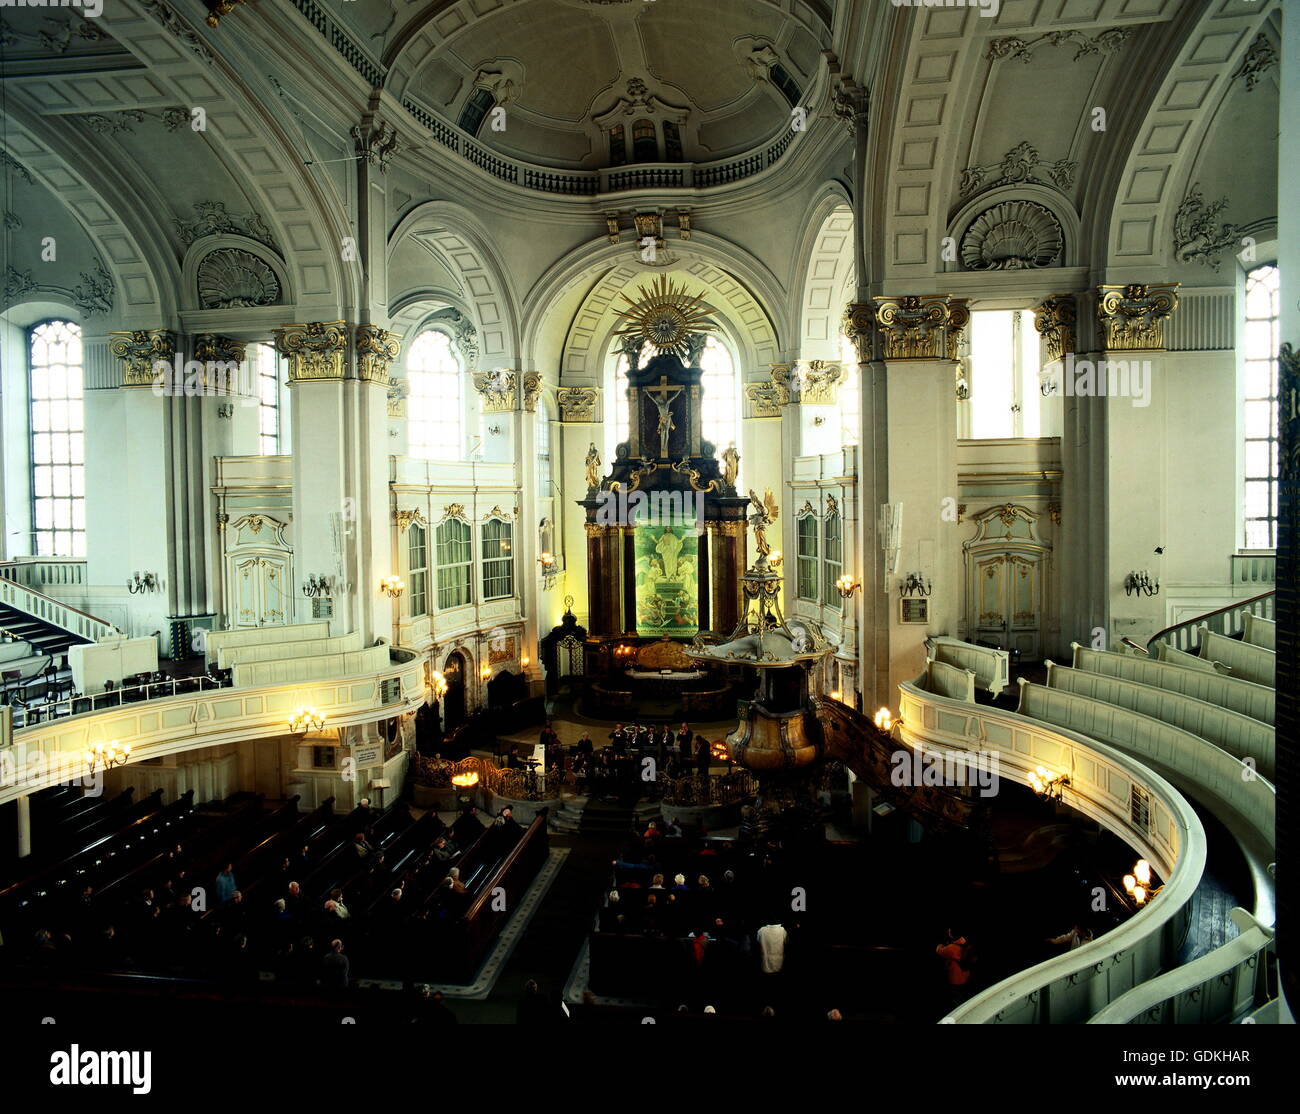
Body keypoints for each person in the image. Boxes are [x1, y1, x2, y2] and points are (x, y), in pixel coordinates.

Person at [936, 928, 974, 1004]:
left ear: (951, 935)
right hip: (966, 973)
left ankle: (960, 1005)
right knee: (965, 990)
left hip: (956, 978)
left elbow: (939, 951)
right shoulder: (965, 941)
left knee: (957, 994)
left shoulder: (951, 948)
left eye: (949, 932)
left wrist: (940, 945)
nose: (948, 932)